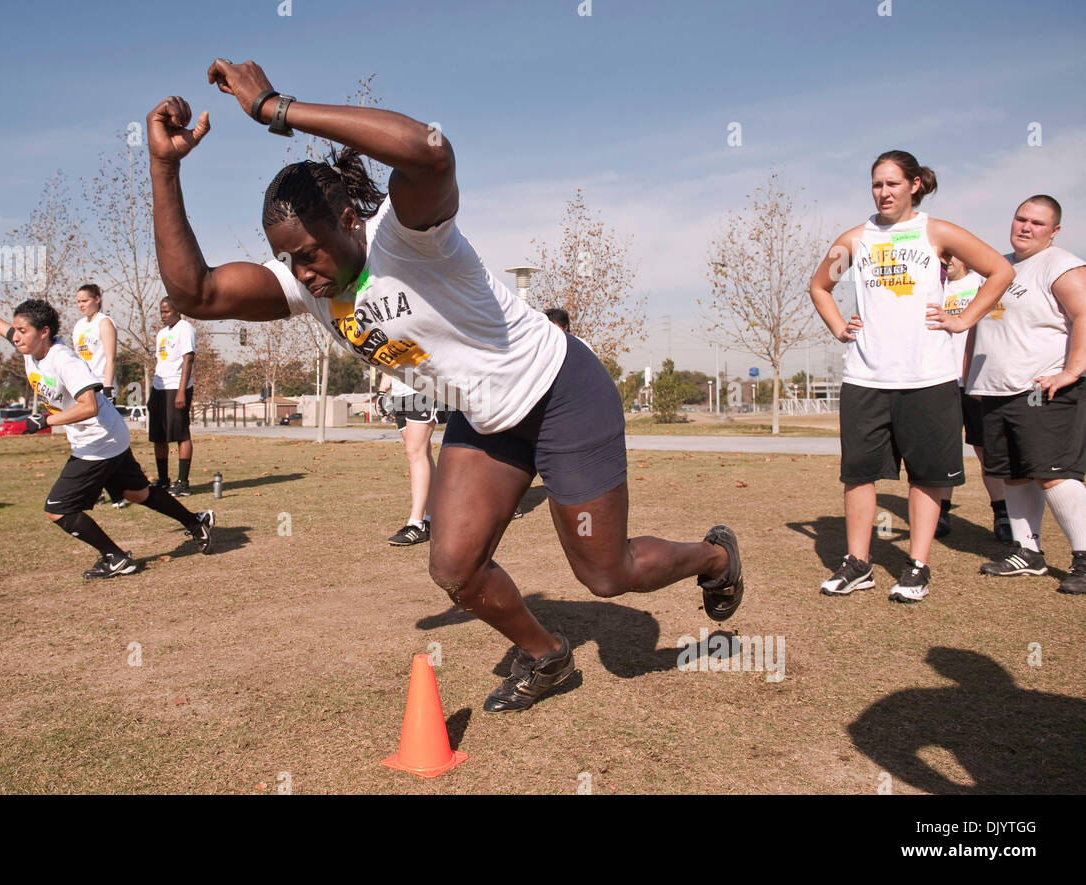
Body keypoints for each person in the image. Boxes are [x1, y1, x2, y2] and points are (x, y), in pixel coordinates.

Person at [144, 58, 744, 712]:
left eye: (307, 253)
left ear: (348, 218)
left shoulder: (406, 238)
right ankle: (547, 654)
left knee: (606, 573)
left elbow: (430, 151)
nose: (300, 272)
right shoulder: (305, 286)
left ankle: (714, 558)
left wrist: (275, 109)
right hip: (490, 419)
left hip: (560, 391)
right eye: (287, 259)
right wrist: (165, 168)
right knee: (453, 566)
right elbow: (195, 291)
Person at [809, 150, 1013, 603]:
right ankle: (858, 564)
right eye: (877, 185)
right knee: (859, 474)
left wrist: (964, 319)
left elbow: (1000, 270)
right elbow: (820, 286)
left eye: (892, 184)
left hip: (928, 377)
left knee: (925, 474)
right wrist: (840, 327)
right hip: (866, 376)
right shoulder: (856, 240)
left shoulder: (936, 232)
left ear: (915, 184)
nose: (883, 193)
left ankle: (917, 566)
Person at [0, 290, 220, 577]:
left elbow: (89, 407)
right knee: (136, 493)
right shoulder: (29, 347)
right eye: (16, 330)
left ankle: (115, 557)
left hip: (98, 440)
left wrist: (43, 422)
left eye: (22, 331)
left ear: (44, 332)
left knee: (57, 509)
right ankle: (197, 522)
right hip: (105, 436)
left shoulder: (64, 360)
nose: (15, 336)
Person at [967, 196, 1086, 594]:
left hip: (1040, 388)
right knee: (1013, 474)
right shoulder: (999, 267)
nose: (1026, 227)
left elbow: (1085, 313)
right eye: (1021, 218)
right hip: (996, 390)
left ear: (1054, 231)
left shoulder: (1060, 264)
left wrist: (1072, 370)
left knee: (1052, 474)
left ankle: (1084, 557)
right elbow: (978, 325)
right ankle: (1028, 552)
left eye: (1038, 222)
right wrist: (970, 379)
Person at [937, 255, 1012, 542]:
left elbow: (999, 321)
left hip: (977, 382)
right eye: (941, 257)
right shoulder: (936, 288)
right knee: (943, 450)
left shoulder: (981, 283)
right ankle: (941, 513)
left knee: (986, 450)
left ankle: (1002, 513)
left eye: (950, 255)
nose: (946, 261)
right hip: (942, 380)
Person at [72, 283, 128, 508]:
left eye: (85, 301)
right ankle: (101, 492)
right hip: (83, 390)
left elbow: (111, 357)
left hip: (101, 389)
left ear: (97, 299)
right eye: (78, 302)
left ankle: (119, 492)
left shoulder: (104, 323)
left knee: (108, 440)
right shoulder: (77, 326)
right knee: (90, 440)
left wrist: (108, 388)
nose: (81, 305)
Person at [375, 370, 434, 545]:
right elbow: (388, 357)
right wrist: (382, 392)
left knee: (415, 451)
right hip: (399, 394)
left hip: (423, 389)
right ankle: (432, 519)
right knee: (422, 453)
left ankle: (416, 524)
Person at [151, 297, 197, 496]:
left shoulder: (185, 328)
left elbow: (188, 359)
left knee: (181, 434)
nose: (163, 316)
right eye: (161, 312)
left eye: (167, 312)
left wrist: (181, 390)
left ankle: (183, 482)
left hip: (176, 387)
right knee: (158, 436)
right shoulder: (161, 333)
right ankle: (163, 480)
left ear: (178, 310)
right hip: (159, 387)